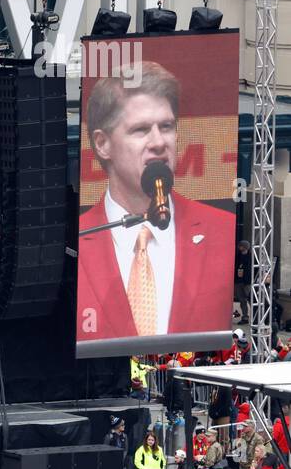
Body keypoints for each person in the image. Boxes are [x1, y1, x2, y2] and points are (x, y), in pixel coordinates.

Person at [76, 63, 236, 342]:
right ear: (102, 144)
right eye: (140, 130)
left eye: (166, 126)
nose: (159, 142)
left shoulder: (222, 230)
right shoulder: (75, 240)